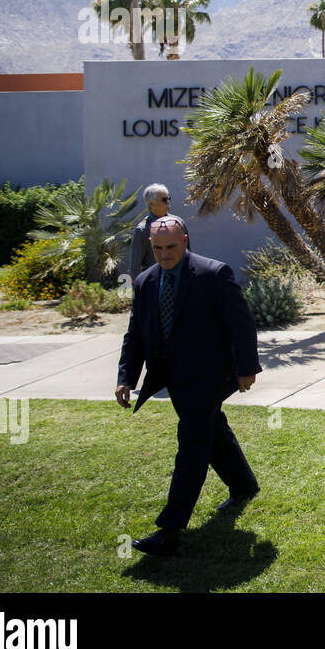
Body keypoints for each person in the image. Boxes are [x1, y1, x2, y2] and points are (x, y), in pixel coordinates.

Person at [115, 216, 260, 557]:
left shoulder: (213, 274)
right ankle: (243, 485)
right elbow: (135, 333)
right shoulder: (147, 281)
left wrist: (246, 369)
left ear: (184, 240)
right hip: (173, 378)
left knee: (192, 444)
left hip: (210, 374)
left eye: (170, 247)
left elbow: (241, 324)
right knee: (212, 429)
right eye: (157, 249)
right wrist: (125, 377)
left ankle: (169, 530)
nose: (164, 255)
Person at [128, 183, 186, 280]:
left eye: (169, 199)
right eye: (164, 200)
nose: (168, 202)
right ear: (151, 204)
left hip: (179, 280)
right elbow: (135, 266)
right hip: (154, 283)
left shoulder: (179, 224)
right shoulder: (143, 230)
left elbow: (187, 253)